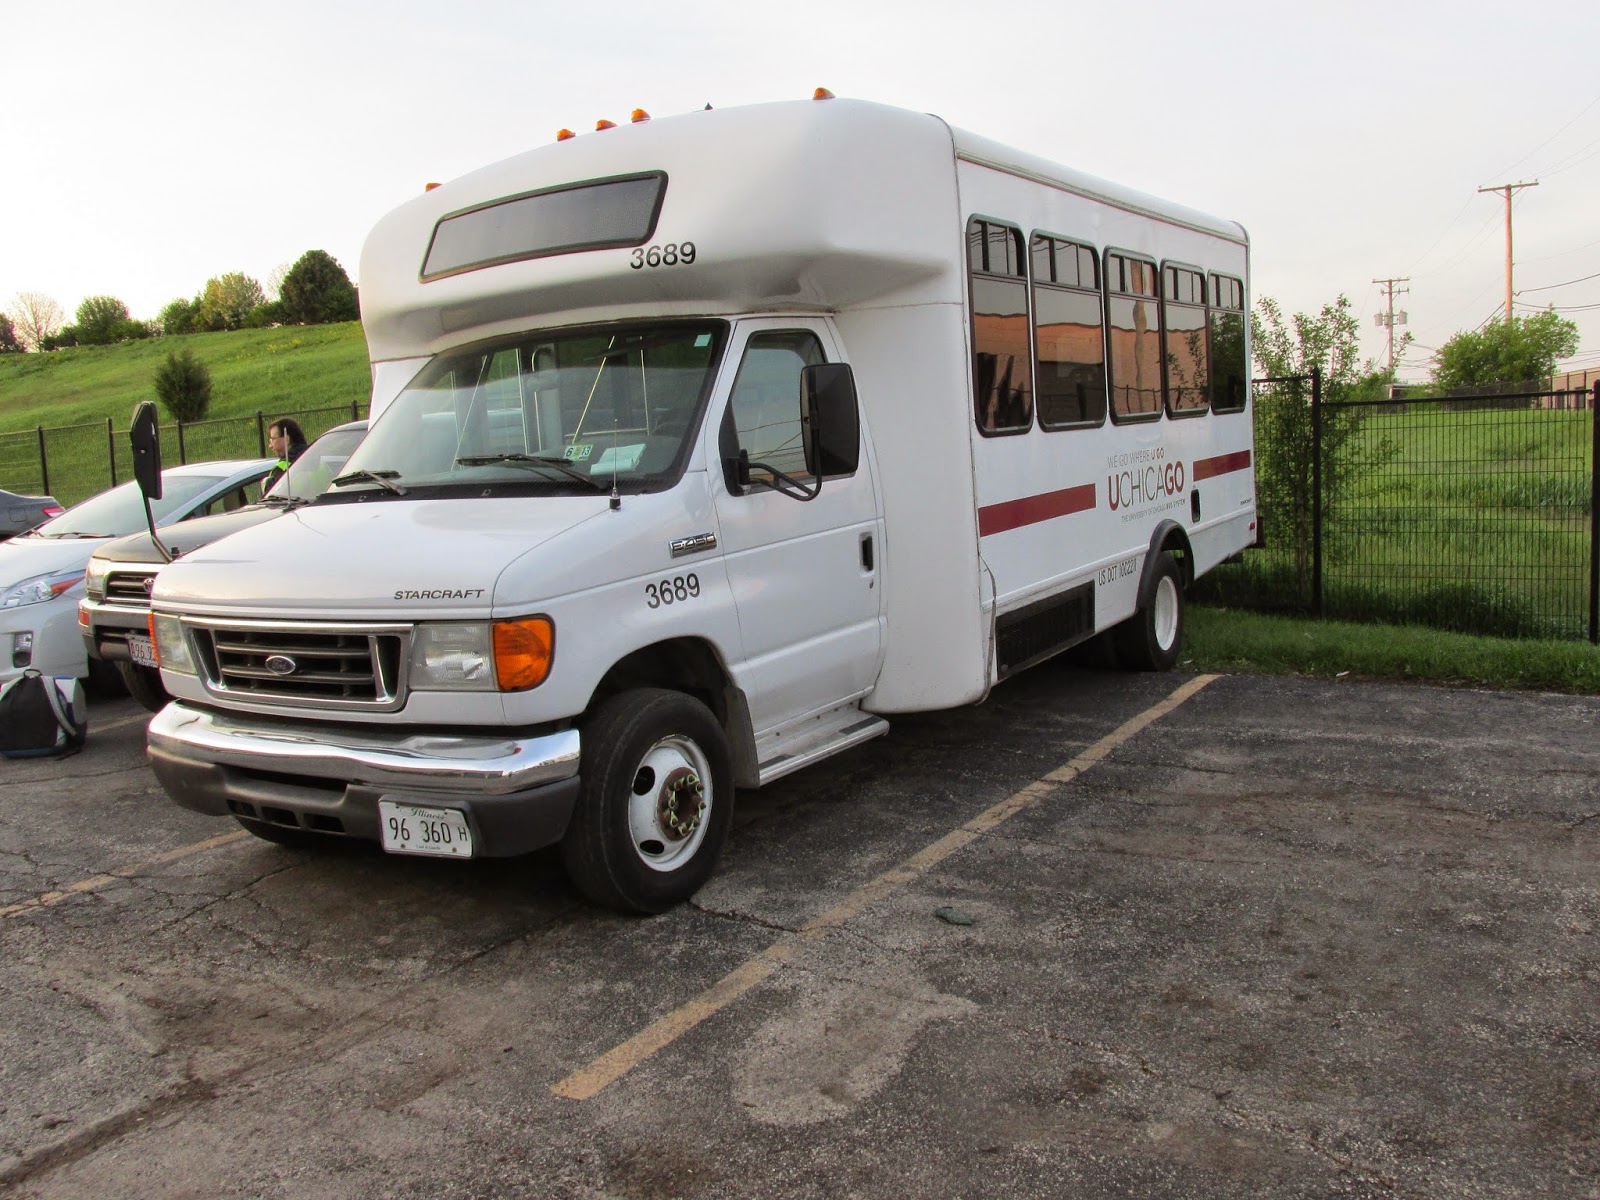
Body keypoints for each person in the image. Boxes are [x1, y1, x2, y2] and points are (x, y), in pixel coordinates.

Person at [263, 418, 308, 493]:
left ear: (287, 439)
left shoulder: (282, 468)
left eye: (273, 439)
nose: (270, 446)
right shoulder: (320, 462)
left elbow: (275, 499)